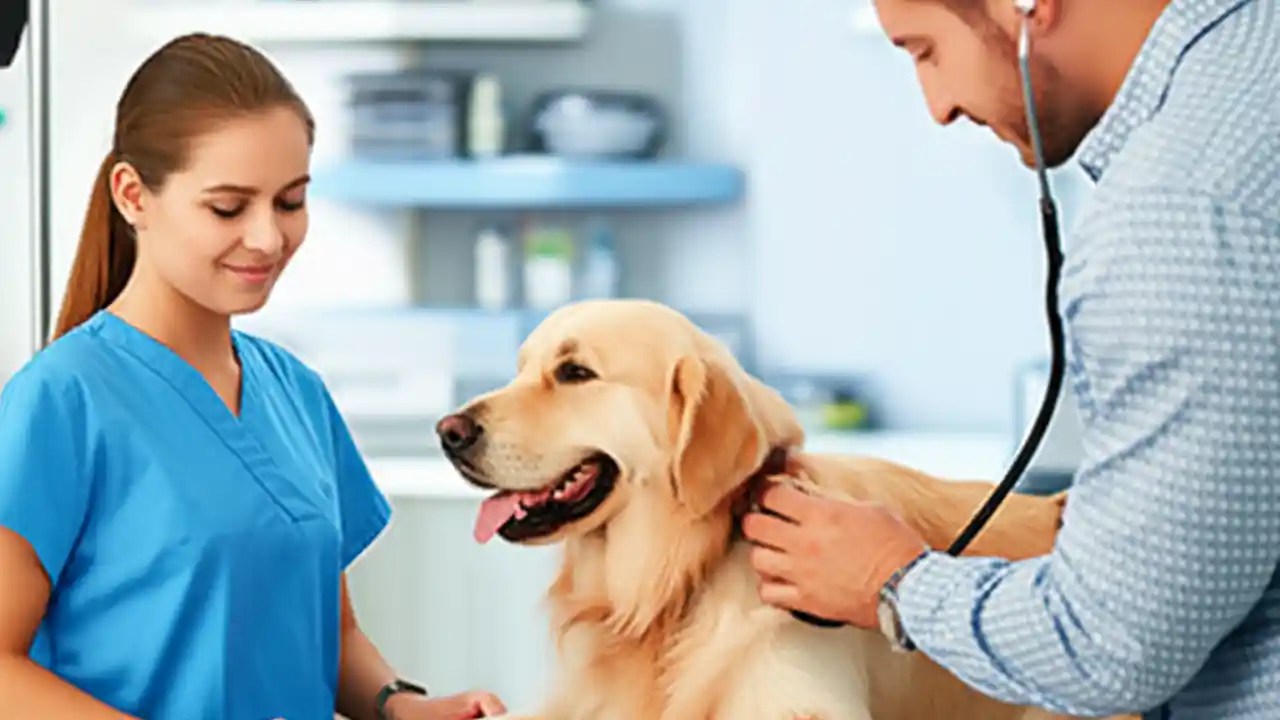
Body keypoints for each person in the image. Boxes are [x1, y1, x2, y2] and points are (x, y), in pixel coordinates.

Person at [742, 0, 1279, 718]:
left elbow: (1111, 646)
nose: (937, 108)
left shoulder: (1173, 211)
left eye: (924, 51)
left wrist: (891, 583)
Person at [0, 34, 507, 720]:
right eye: (228, 207)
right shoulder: (60, 401)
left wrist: (402, 707)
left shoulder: (296, 393)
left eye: (291, 201)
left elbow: (331, 638)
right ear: (132, 195)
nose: (269, 238)